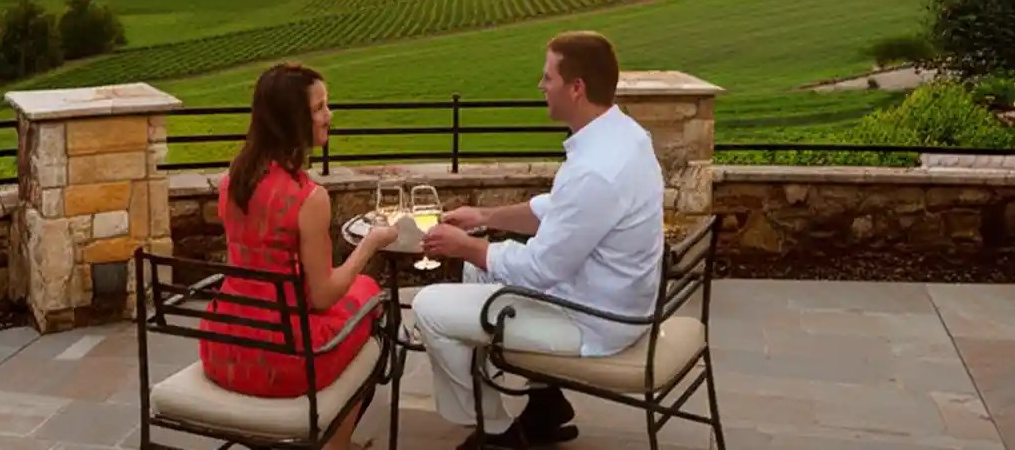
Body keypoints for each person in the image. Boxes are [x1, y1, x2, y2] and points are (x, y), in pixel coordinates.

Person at [412, 31, 666, 450]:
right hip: (615, 298)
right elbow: (558, 209)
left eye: (548, 77)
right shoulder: (624, 136)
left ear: (577, 87)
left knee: (430, 309)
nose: (541, 86)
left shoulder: (597, 170)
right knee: (479, 271)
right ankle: (545, 404)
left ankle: (496, 432)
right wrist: (486, 217)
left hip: (594, 321)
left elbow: (540, 268)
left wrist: (465, 245)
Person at [199, 62, 398, 450]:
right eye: (320, 107)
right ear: (293, 121)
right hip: (283, 362)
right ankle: (335, 443)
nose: (329, 115)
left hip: (223, 350)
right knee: (374, 303)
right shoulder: (309, 199)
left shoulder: (232, 181)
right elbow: (321, 296)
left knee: (361, 292)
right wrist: (370, 244)